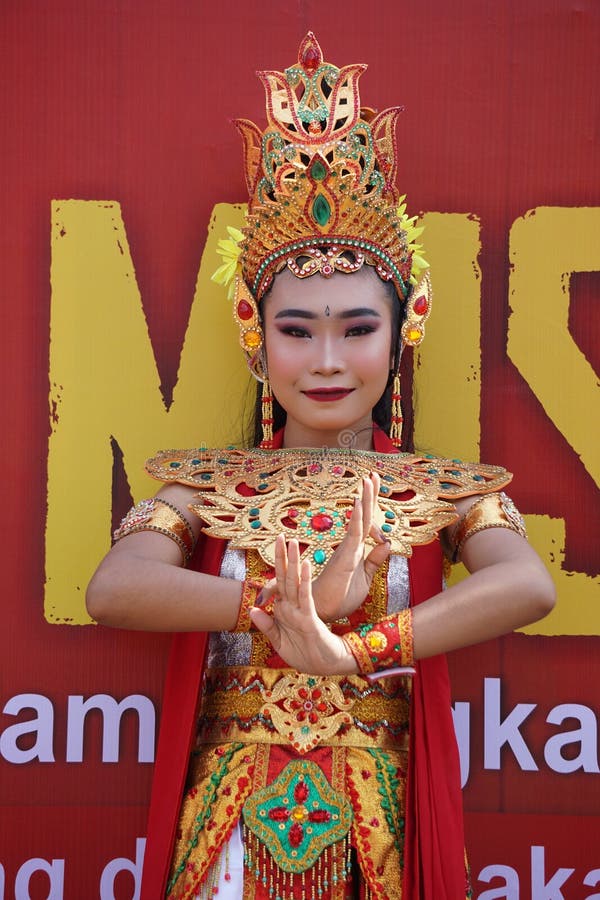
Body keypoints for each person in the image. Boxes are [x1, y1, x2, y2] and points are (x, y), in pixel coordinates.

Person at [86, 33, 555, 900]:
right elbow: (115, 588)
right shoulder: (210, 483)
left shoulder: (443, 489)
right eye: (297, 330)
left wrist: (355, 649)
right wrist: (279, 608)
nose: (328, 360)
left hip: (376, 833)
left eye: (357, 328)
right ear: (255, 339)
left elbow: (529, 586)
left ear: (404, 324)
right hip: (227, 830)